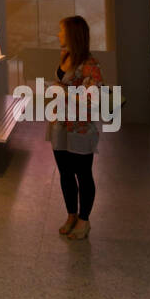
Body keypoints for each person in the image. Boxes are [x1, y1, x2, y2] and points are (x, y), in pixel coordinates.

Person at [52, 15, 103, 240]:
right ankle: (71, 214)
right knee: (65, 172)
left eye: (61, 31)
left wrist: (65, 93)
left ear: (72, 35)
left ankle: (84, 219)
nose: (58, 34)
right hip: (60, 124)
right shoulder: (65, 55)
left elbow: (93, 97)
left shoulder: (90, 65)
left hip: (80, 128)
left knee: (82, 173)